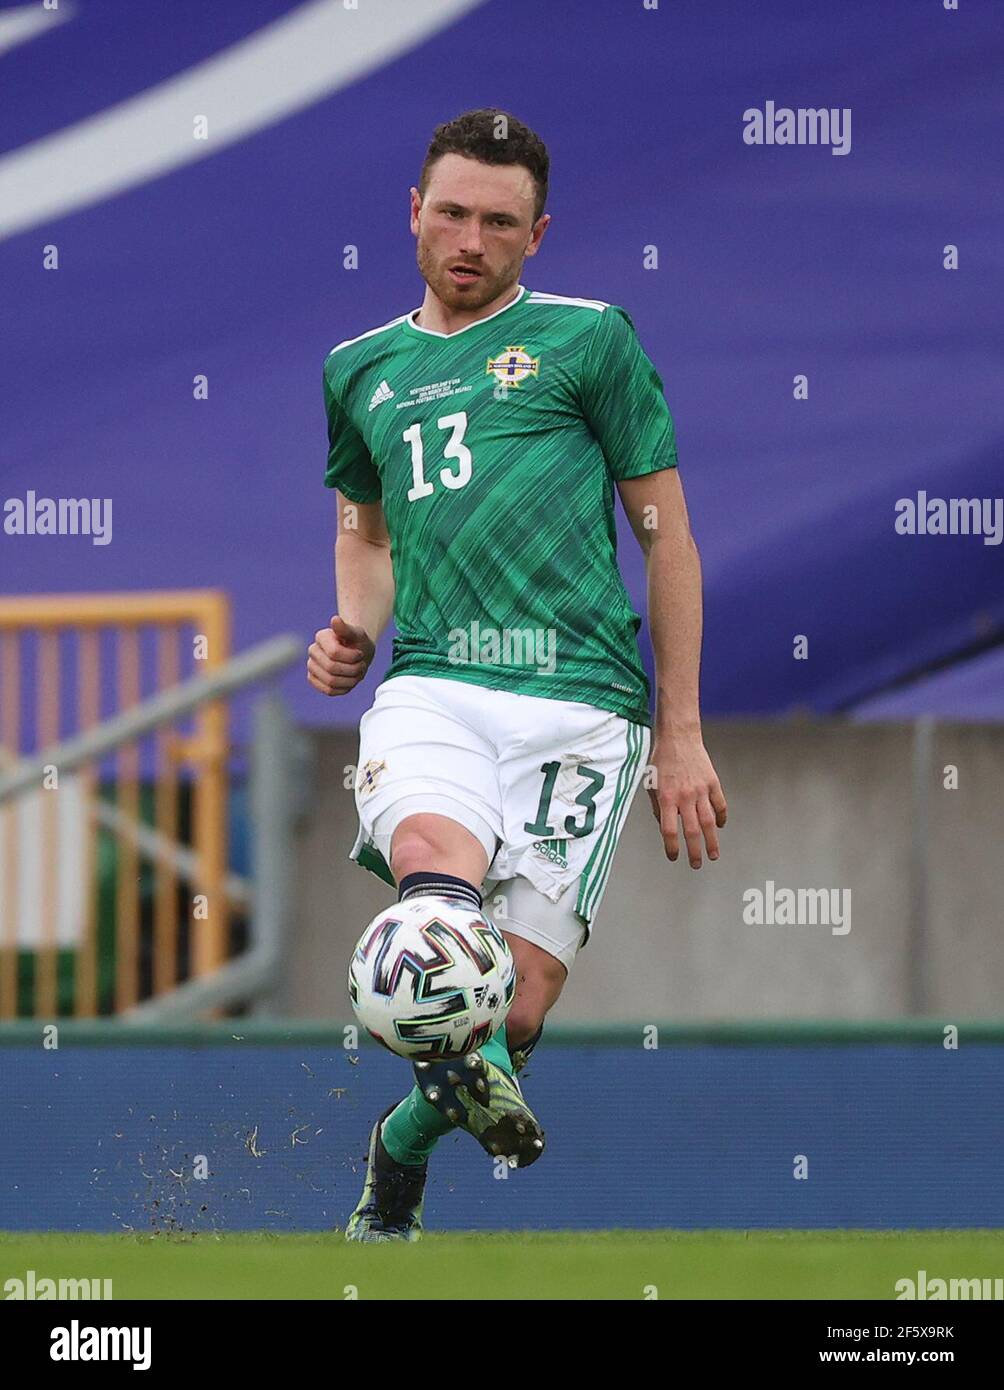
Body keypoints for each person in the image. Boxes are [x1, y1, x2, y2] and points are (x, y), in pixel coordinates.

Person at [308, 109, 727, 1241]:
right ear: (413, 211)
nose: (469, 238)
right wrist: (352, 627)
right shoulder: (360, 370)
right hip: (434, 688)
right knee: (434, 913)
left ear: (537, 234)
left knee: (517, 1006)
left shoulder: (589, 340)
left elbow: (668, 541)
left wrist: (679, 731)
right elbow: (365, 530)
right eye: (450, 211)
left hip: (583, 706)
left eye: (499, 221)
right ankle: (438, 1068)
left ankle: (398, 1145)